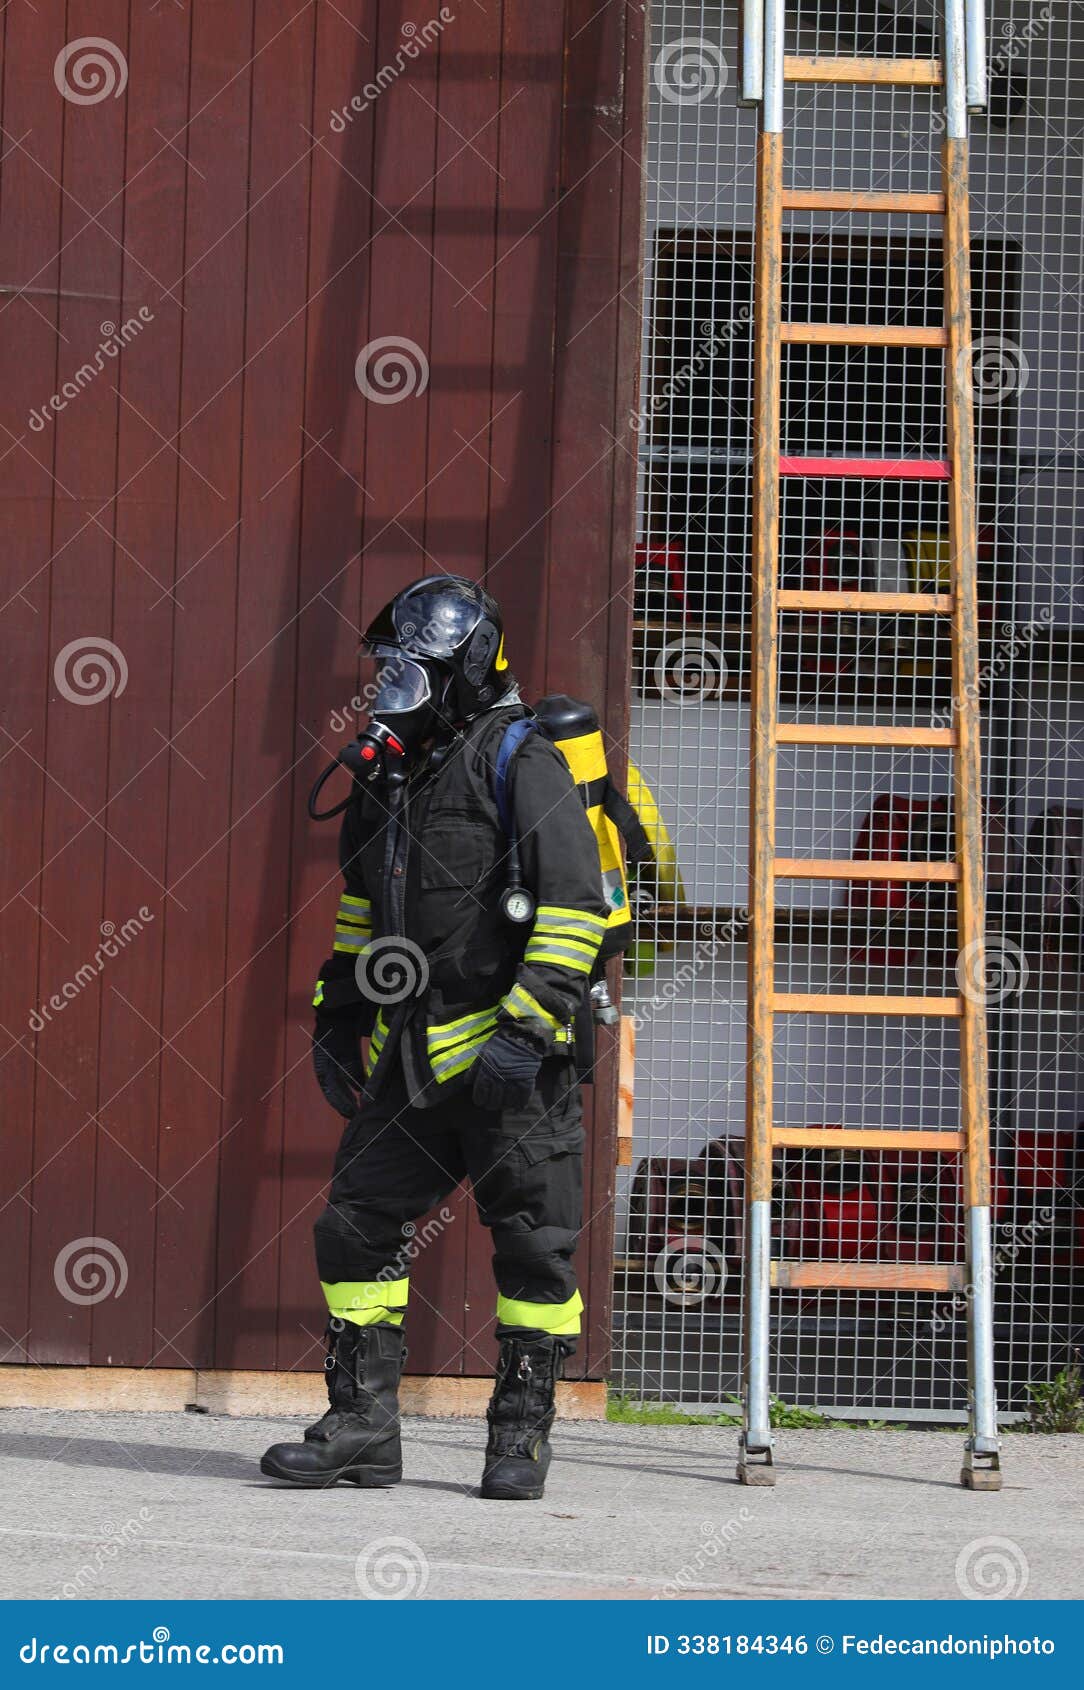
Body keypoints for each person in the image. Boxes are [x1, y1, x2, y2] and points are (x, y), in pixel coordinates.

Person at [260, 575, 608, 1500]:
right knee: (355, 1225)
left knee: (534, 1245)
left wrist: (528, 1032)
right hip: (411, 1061)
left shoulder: (523, 756)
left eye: (417, 668)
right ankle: (363, 1428)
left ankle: (520, 1438)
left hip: (513, 1065)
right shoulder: (392, 770)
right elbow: (364, 908)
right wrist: (339, 1015)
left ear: (461, 669)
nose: (395, 684)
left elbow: (577, 909)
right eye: (389, 667)